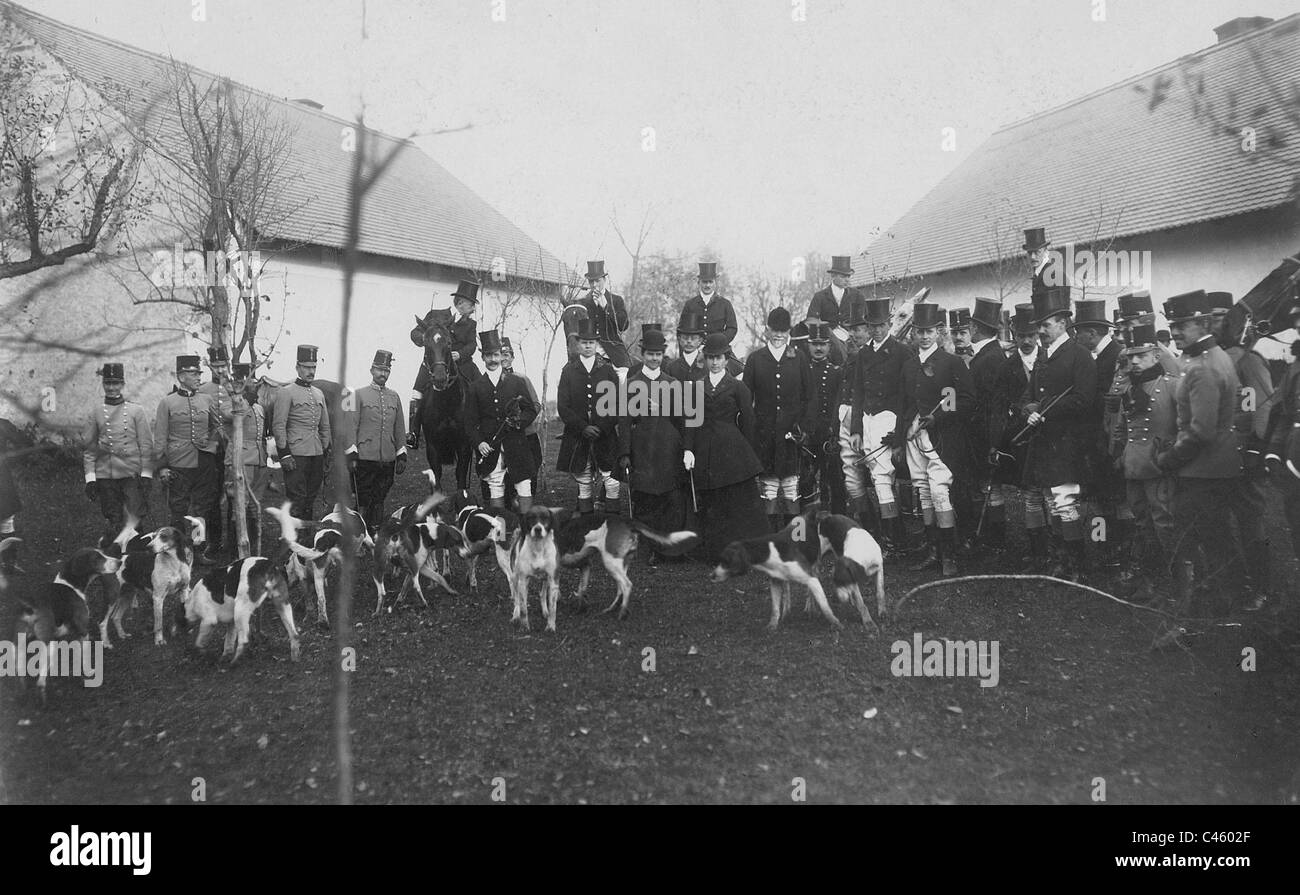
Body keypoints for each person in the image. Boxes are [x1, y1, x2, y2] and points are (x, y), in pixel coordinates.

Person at [1154, 290, 1243, 618]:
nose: (1175, 331)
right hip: (1211, 467)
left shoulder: (1203, 366)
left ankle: (1202, 605)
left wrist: (1170, 459)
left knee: (1194, 536)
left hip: (1204, 469)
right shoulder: (1200, 357)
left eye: (1183, 324)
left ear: (1203, 322)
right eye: (1173, 324)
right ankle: (1225, 598)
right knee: (1215, 535)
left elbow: (1201, 431)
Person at [1018, 286, 1097, 581]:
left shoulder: (1079, 356)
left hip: (1068, 442)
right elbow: (1027, 395)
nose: (1040, 331)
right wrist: (1030, 409)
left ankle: (1077, 565)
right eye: (1039, 325)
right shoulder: (1043, 357)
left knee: (1066, 503)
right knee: (1051, 501)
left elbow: (1084, 400)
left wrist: (1048, 410)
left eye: (1046, 324)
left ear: (1063, 323)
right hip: (1043, 441)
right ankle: (1060, 559)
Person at [1209, 291, 1272, 610]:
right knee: (1219, 526)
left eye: (1220, 318)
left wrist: (1252, 452)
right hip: (1215, 460)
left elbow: (1261, 409)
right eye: (1209, 319)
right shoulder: (1211, 360)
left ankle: (1262, 589)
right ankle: (1235, 586)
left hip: (1244, 459)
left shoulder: (1247, 360)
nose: (1215, 325)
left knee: (1250, 524)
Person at [903, 303, 974, 577]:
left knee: (939, 492)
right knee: (922, 490)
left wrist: (940, 418)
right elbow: (906, 402)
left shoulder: (951, 362)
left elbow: (967, 400)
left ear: (938, 332)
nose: (924, 336)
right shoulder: (909, 365)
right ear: (913, 333)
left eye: (929, 331)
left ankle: (949, 554)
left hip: (942, 439)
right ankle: (933, 550)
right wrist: (902, 435)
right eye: (919, 331)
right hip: (914, 436)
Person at [682, 333, 766, 560]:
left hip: (733, 451)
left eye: (719, 357)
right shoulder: (697, 387)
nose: (715, 362)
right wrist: (688, 449)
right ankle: (715, 551)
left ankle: (743, 550)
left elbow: (749, 423)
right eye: (710, 358)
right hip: (706, 451)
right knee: (712, 502)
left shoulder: (738, 387)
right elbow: (691, 420)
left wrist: (749, 455)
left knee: (737, 502)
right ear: (705, 359)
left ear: (727, 358)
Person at [1115, 322, 1180, 602]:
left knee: (1165, 524)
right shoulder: (1129, 390)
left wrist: (1172, 456)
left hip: (1160, 467)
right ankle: (1150, 579)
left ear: (1156, 354)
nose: (1135, 362)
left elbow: (1187, 428)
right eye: (1130, 357)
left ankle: (1179, 582)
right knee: (1143, 523)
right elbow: (1121, 428)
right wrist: (1118, 455)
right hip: (1134, 466)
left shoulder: (1173, 386)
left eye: (1141, 355)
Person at [847, 298, 918, 552]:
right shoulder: (863, 353)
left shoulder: (902, 352)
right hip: (868, 420)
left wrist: (898, 433)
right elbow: (857, 392)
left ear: (889, 324)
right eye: (872, 325)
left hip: (890, 420)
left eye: (881, 325)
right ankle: (894, 536)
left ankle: (893, 539)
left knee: (882, 477)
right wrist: (856, 428)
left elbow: (908, 394)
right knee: (877, 477)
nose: (877, 330)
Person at [618, 326, 687, 563]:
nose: (654, 358)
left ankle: (667, 547)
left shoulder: (672, 382)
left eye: (658, 354)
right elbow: (625, 421)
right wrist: (625, 452)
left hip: (668, 448)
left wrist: (685, 448)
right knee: (646, 498)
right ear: (642, 354)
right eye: (650, 354)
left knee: (669, 497)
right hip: (643, 448)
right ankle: (649, 547)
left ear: (663, 355)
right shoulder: (632, 383)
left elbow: (681, 420)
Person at [743, 307, 814, 531]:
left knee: (792, 488)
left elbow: (809, 396)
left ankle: (795, 541)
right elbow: (747, 399)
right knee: (769, 488)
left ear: (789, 332)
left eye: (783, 331)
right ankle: (772, 540)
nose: (779, 335)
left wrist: (802, 427)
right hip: (765, 435)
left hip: (791, 435)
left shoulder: (799, 358)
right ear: (767, 330)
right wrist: (753, 430)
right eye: (775, 330)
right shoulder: (755, 359)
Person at [1071, 299, 1126, 569]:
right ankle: (1104, 547)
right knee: (1098, 499)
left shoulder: (1116, 357)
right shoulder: (1098, 356)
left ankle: (1117, 549)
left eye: (1078, 332)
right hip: (1095, 441)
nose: (1076, 337)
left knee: (1111, 500)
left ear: (1092, 333)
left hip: (1108, 441)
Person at [155, 354, 226, 562]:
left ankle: (196, 549)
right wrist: (162, 467)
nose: (197, 377)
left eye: (198, 373)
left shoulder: (206, 399)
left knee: (201, 510)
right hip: (179, 463)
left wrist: (211, 440)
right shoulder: (167, 402)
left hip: (204, 463)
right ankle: (177, 551)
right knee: (179, 509)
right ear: (181, 376)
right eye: (193, 373)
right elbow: (160, 437)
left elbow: (218, 427)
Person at [465, 331, 538, 511]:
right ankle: (500, 531)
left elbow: (531, 409)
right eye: (488, 355)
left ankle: (525, 531)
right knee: (495, 486)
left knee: (523, 485)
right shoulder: (475, 387)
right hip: (490, 446)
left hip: (517, 442)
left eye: (496, 354)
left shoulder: (515, 381)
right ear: (482, 357)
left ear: (501, 355)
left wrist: (519, 422)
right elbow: (469, 422)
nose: (493, 359)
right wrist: (479, 442)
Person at [83, 362, 154, 545]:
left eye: (116, 383)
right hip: (106, 473)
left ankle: (136, 553)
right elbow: (90, 449)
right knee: (113, 517)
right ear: (103, 385)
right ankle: (114, 553)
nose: (112, 388)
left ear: (122, 385)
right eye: (108, 383)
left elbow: (146, 446)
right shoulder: (96, 412)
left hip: (131, 472)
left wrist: (146, 474)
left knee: (135, 516)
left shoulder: (135, 411)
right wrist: (90, 479)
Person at [558, 319, 622, 514]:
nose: (587, 345)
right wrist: (582, 427)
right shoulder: (569, 371)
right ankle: (586, 525)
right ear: (578, 344)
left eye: (591, 342)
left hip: (605, 434)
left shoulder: (607, 370)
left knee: (611, 480)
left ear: (597, 344)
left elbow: (616, 403)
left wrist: (602, 427)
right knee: (584, 481)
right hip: (579, 435)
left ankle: (612, 524)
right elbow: (563, 406)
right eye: (584, 342)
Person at [990, 304, 1039, 556]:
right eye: (1022, 336)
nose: (1027, 341)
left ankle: (1058, 548)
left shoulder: (1049, 360)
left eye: (1031, 335)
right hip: (1019, 438)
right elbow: (998, 407)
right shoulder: (1006, 367)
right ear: (1014, 335)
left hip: (1047, 437)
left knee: (1055, 496)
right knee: (1030, 493)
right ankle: (1036, 549)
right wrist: (996, 441)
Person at [346, 349, 407, 534]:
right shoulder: (357, 395)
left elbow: (399, 427)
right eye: (380, 370)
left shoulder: (394, 397)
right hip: (365, 457)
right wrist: (352, 453)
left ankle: (375, 531)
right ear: (372, 370)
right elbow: (350, 425)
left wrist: (401, 453)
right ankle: (359, 534)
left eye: (387, 370)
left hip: (387, 458)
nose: (383, 374)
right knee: (363, 499)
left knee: (380, 497)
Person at [271, 345, 332, 521]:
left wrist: (325, 448)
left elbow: (325, 426)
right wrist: (284, 454)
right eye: (306, 367)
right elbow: (279, 426)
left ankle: (306, 542)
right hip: (296, 454)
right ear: (298, 367)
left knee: (310, 498)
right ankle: (292, 543)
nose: (310, 371)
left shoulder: (318, 393)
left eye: (313, 367)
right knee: (296, 500)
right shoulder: (286, 392)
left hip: (316, 453)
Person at [965, 298, 1007, 548]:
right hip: (984, 432)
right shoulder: (989, 354)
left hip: (984, 434)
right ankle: (994, 538)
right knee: (989, 487)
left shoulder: (989, 359)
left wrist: (993, 442)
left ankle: (995, 538)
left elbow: (994, 406)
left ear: (977, 328)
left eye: (971, 325)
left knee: (990, 487)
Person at [800, 321, 846, 514]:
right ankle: (803, 533)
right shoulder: (801, 373)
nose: (818, 348)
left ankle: (838, 525)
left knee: (835, 483)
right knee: (804, 484)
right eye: (814, 344)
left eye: (823, 344)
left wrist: (834, 432)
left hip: (829, 437)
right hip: (807, 437)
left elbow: (839, 406)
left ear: (829, 346)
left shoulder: (837, 373)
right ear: (808, 345)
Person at [225, 363, 268, 552]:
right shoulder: (231, 403)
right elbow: (234, 416)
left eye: (252, 379)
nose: (252, 383)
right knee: (239, 504)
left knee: (254, 505)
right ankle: (236, 547)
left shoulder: (258, 406)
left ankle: (252, 541)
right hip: (240, 460)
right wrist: (247, 399)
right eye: (246, 380)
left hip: (258, 460)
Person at [198, 345, 233, 555]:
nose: (220, 370)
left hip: (232, 451)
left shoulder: (235, 388)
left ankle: (232, 540)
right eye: (216, 366)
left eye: (223, 365)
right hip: (211, 453)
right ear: (210, 366)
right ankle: (213, 540)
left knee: (233, 497)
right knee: (211, 498)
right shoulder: (202, 391)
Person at [500, 337, 543, 500]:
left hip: (525, 434)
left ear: (512, 357)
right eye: (500, 354)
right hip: (503, 437)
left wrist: (521, 420)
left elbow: (536, 404)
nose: (503, 358)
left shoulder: (521, 378)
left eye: (506, 354)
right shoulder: (490, 381)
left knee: (530, 471)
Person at [681, 261, 742, 369]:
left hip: (719, 349)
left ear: (715, 282)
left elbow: (732, 328)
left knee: (738, 372)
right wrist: (693, 346)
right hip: (694, 349)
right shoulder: (690, 304)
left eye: (710, 282)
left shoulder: (725, 304)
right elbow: (681, 330)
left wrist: (718, 343)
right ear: (698, 282)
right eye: (704, 282)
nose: (707, 285)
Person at [579, 260, 631, 373]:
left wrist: (606, 307)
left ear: (604, 280)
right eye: (591, 281)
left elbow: (623, 326)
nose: (594, 285)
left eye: (597, 281)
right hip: (588, 353)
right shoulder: (583, 304)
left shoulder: (616, 300)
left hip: (613, 353)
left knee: (624, 377)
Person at [806, 256, 866, 334]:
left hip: (852, 337)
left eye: (848, 276)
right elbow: (811, 320)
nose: (847, 280)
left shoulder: (857, 295)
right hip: (828, 337)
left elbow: (863, 319)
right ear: (833, 276)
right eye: (843, 276)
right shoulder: (820, 297)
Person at [665, 310, 708, 381]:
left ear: (700, 341)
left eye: (693, 338)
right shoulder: (671, 367)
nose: (689, 341)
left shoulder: (707, 365)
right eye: (685, 338)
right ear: (679, 339)